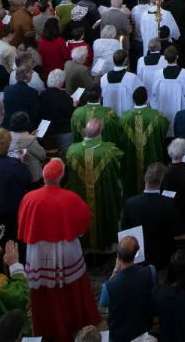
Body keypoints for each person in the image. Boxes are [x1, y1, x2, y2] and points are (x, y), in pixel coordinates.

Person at [17, 159, 102, 340]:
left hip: (38, 251)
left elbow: (23, 224)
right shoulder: (70, 197)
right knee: (69, 290)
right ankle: (73, 323)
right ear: (62, 176)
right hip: (64, 250)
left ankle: (45, 327)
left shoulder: (29, 198)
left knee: (43, 291)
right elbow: (84, 221)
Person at [65, 118, 124, 250]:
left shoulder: (72, 150)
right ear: (100, 132)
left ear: (84, 131)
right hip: (102, 195)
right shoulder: (110, 150)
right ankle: (105, 244)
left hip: (80, 194)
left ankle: (83, 246)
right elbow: (119, 168)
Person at [100, 235, 156, 342]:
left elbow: (103, 303)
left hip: (119, 335)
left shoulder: (108, 287)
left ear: (118, 256)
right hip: (143, 328)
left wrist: (115, 270)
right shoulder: (150, 271)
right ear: (137, 252)